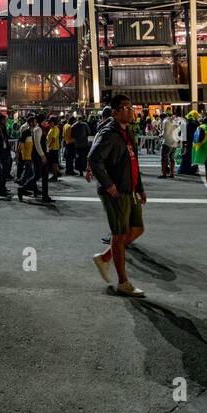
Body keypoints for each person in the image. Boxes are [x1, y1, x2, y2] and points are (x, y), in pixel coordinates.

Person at [88, 93, 148, 298]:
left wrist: (139, 187)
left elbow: (133, 162)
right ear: (114, 112)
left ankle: (105, 258)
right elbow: (94, 158)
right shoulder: (109, 133)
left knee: (138, 228)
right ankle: (123, 282)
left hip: (129, 189)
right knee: (119, 235)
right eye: (125, 108)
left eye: (131, 107)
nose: (130, 111)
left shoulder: (128, 132)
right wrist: (108, 184)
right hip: (115, 191)